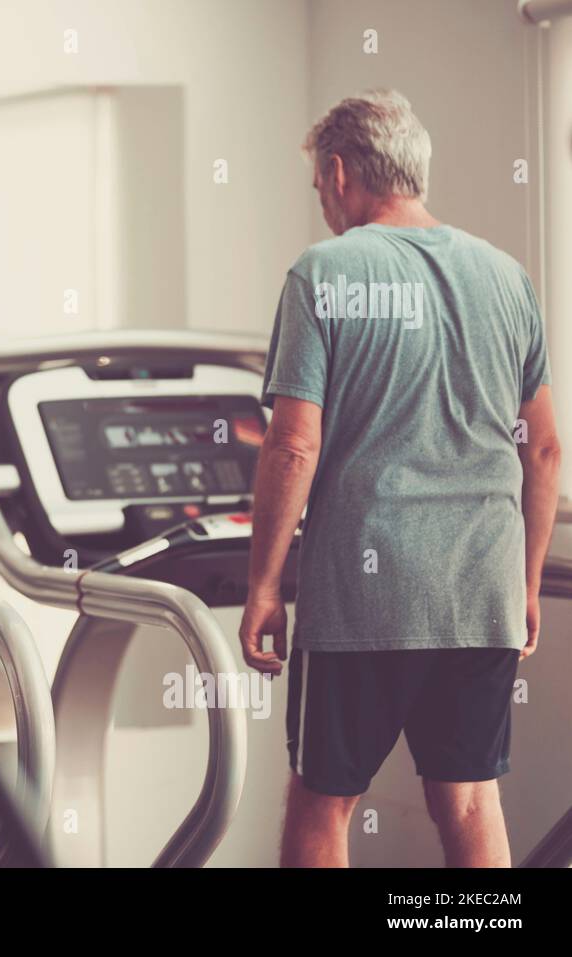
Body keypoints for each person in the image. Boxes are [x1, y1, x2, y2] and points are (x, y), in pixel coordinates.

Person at [239, 90, 560, 868]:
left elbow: (291, 447)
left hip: (361, 596)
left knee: (326, 798)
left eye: (320, 184)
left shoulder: (323, 273)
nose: (322, 201)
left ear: (341, 173)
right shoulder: (507, 276)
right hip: (478, 588)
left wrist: (263, 586)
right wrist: (522, 582)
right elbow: (544, 449)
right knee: (471, 796)